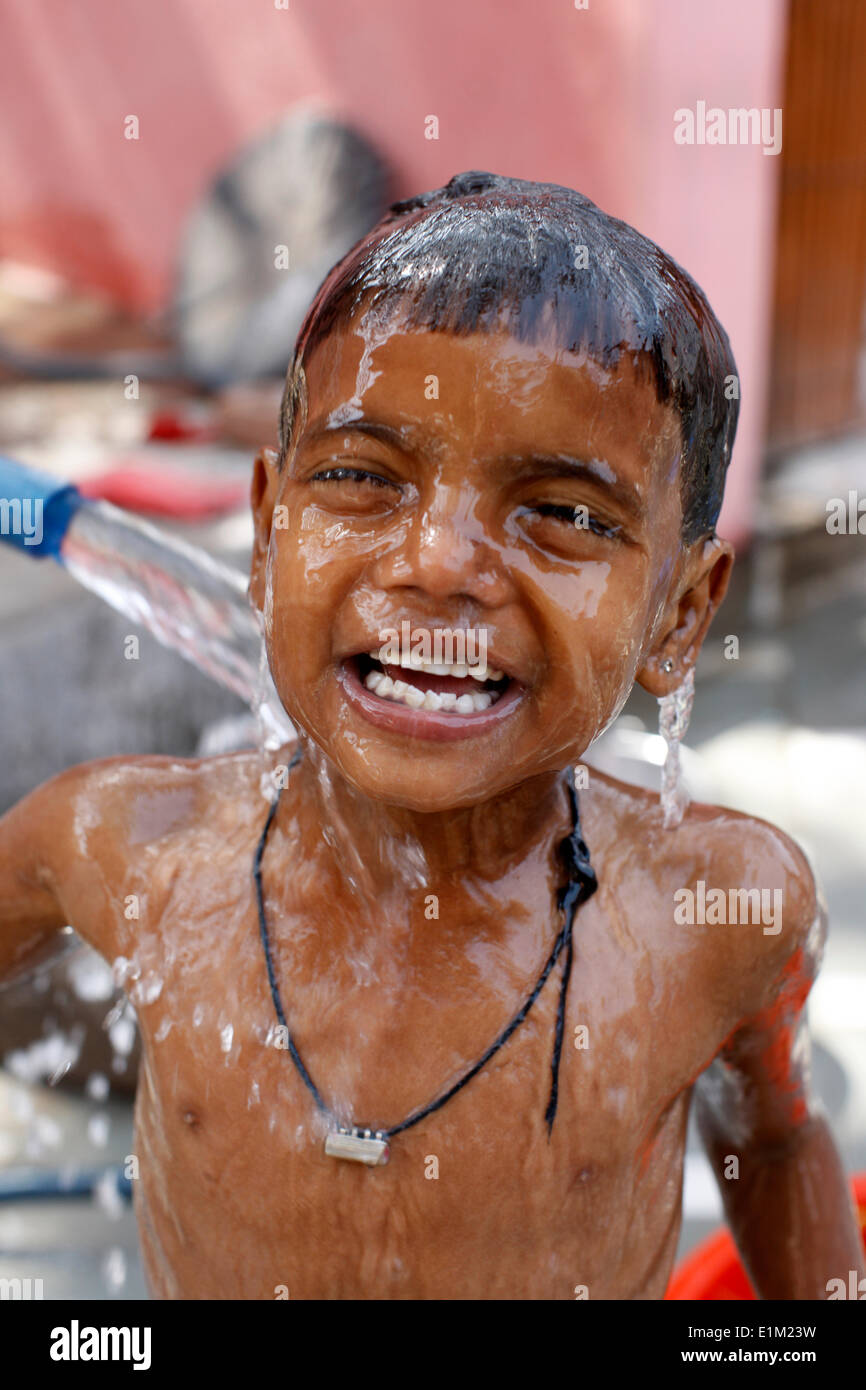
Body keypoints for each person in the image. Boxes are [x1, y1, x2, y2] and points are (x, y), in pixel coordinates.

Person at [1, 172, 862, 1299]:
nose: (440, 563)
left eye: (560, 513)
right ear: (265, 536)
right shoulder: (129, 847)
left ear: (679, 615)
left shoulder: (716, 913)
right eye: (361, 478)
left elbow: (782, 1141)